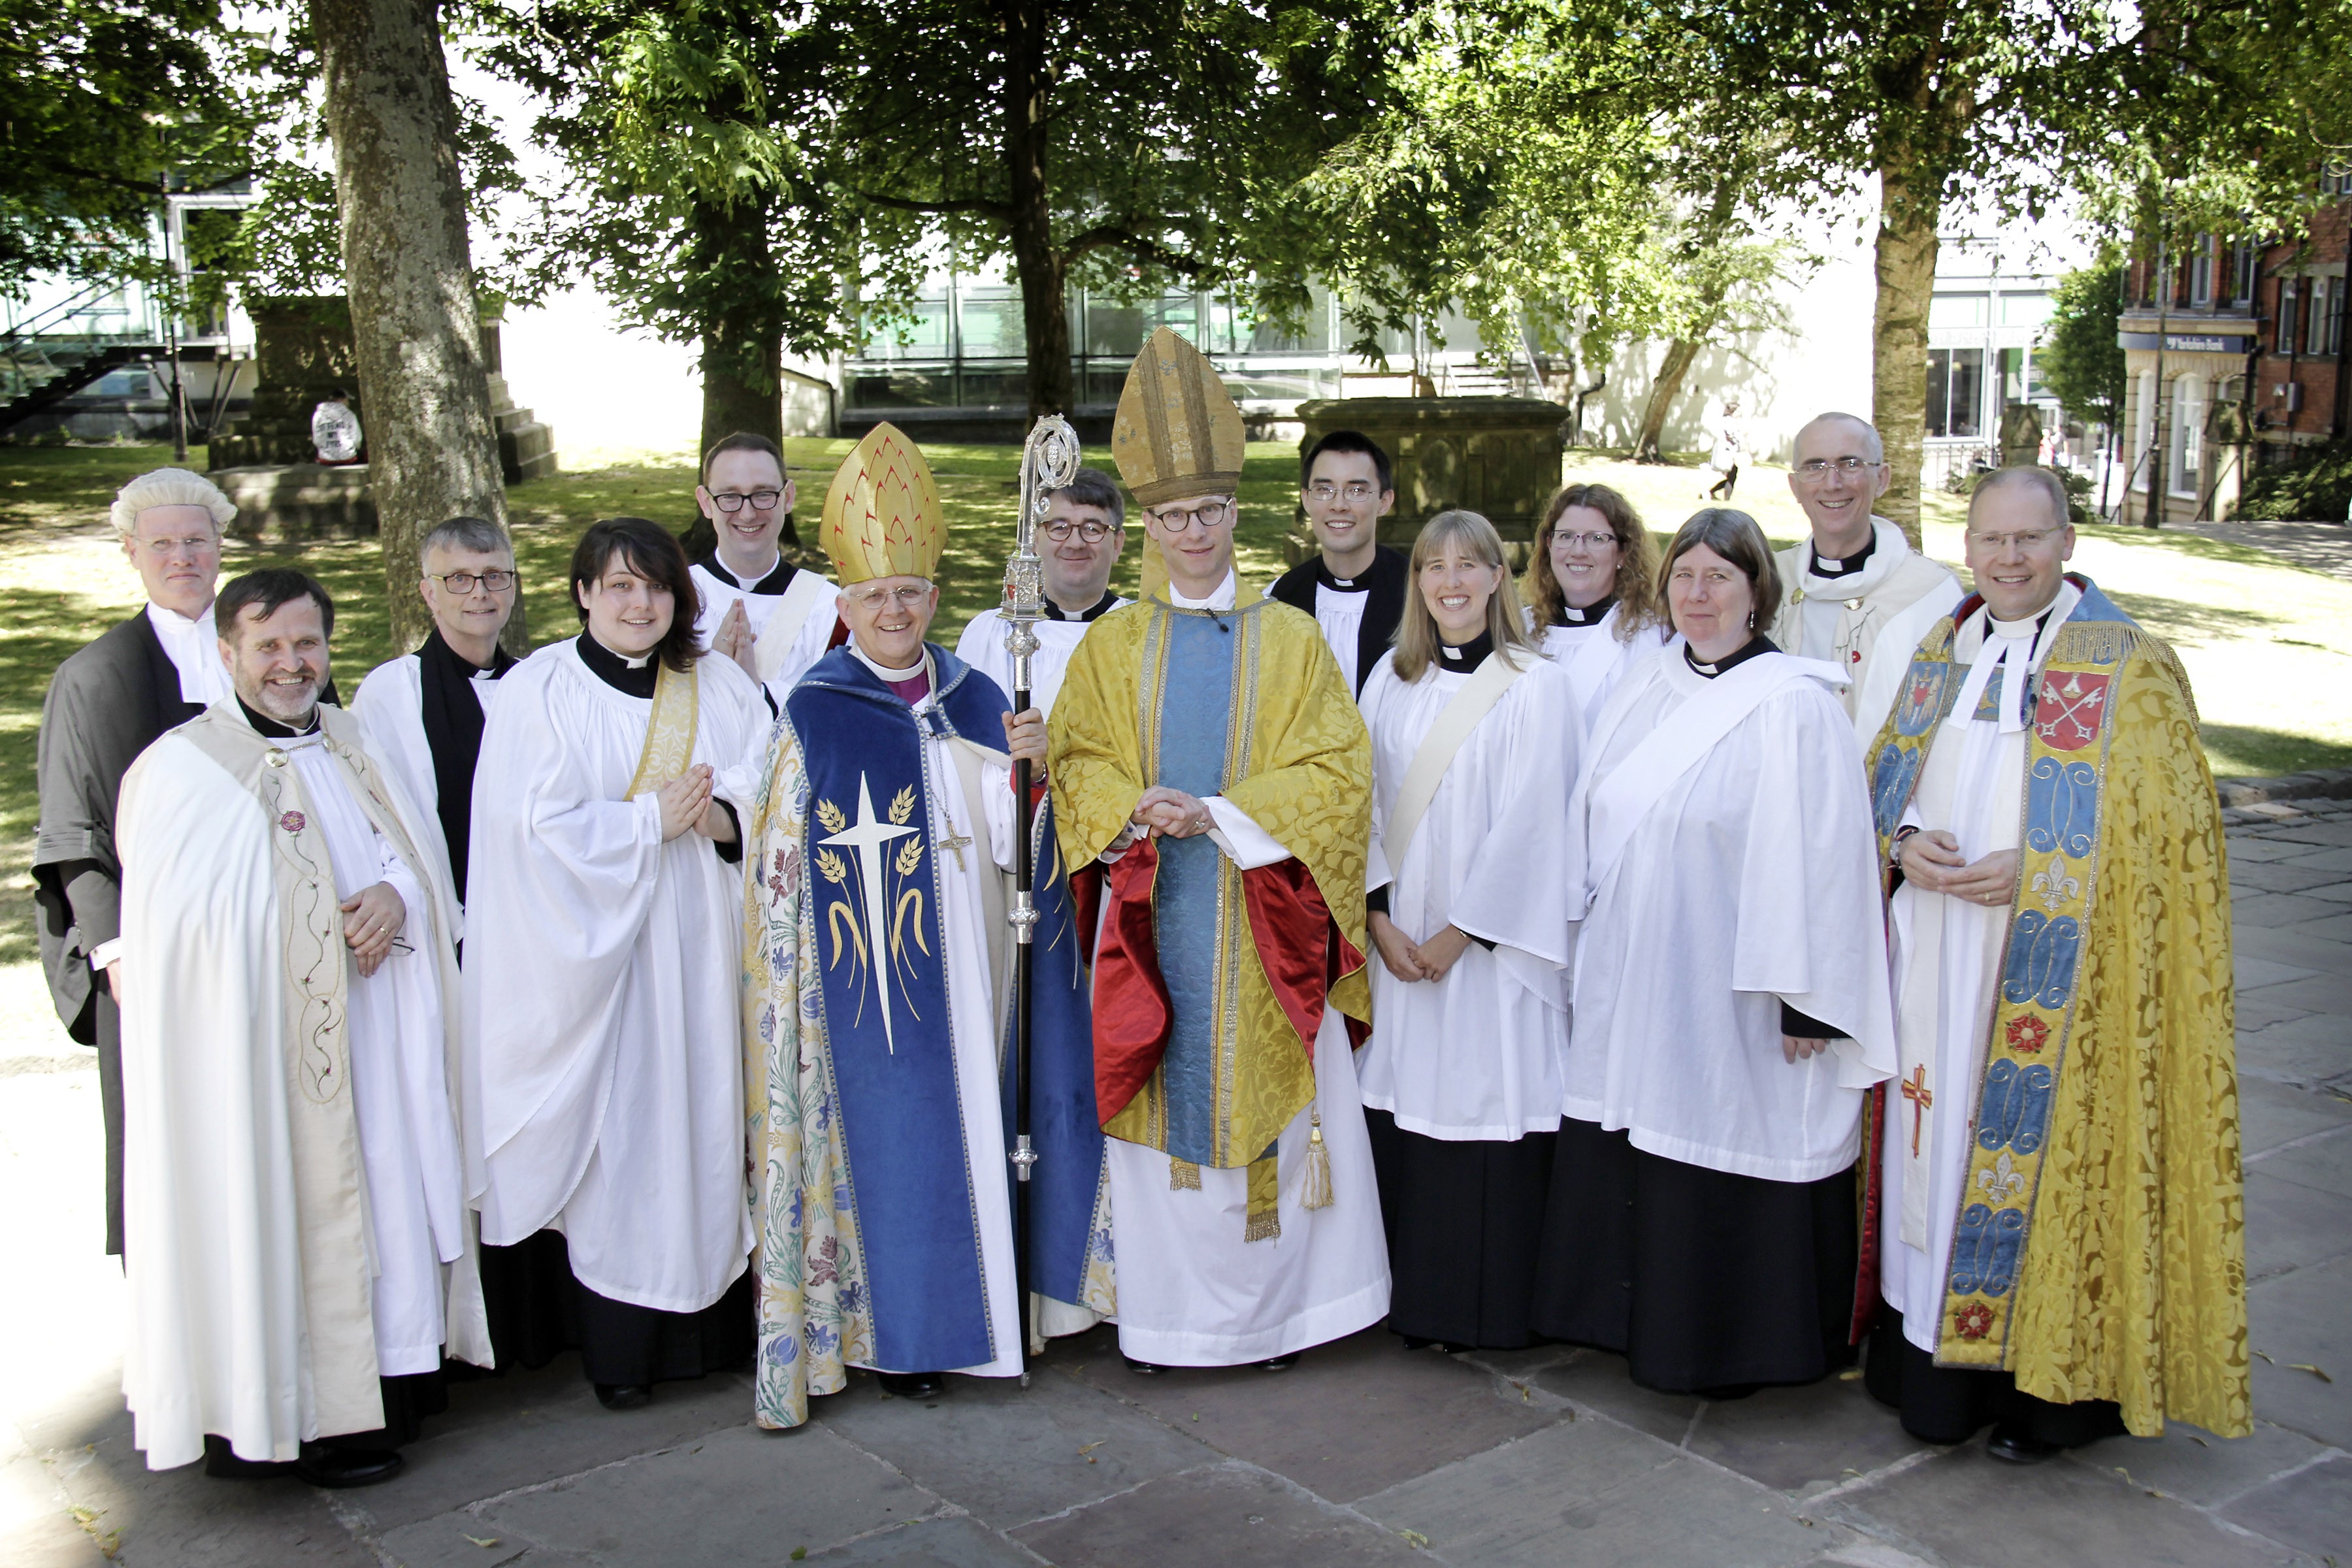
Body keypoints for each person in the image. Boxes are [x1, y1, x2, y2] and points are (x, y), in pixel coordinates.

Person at [1863, 466, 2249, 1458]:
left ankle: (2049, 1392)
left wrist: (2044, 869)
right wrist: (1902, 842)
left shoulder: (2128, 664)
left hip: (2062, 976)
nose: (2009, 558)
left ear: (2067, 542)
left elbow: (2173, 842)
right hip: (1936, 953)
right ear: (1968, 547)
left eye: (2029, 538)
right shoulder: (1944, 649)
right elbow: (1886, 778)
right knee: (1932, 1152)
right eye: (1991, 540)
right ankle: (1931, 1374)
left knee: (2045, 1166)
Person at [742, 423, 1110, 1427]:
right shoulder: (816, 712)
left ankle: (1007, 1313)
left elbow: (1018, 846)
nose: (894, 610)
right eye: (874, 596)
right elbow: (780, 874)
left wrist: (1027, 776)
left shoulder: (980, 694)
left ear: (936, 599)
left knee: (990, 1122)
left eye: (909, 592)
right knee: (902, 1149)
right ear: (845, 607)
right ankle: (906, 1339)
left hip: (981, 969)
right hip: (871, 994)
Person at [1051, 325, 1389, 1372]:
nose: (1191, 531)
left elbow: (1339, 772)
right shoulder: (1113, 643)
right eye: (1171, 515)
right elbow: (1075, 758)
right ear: (1146, 526)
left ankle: (1284, 1320)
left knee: (1277, 1110)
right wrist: (1133, 809)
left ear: (1235, 513)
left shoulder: (1290, 639)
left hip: (1262, 920)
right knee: (1167, 1097)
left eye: (1207, 511)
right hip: (1154, 919)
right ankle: (1174, 1324)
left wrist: (1223, 815)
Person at [114, 568, 487, 1484]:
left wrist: (396, 898)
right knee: (290, 1211)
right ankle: (304, 1419)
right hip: (268, 1061)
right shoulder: (185, 771)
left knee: (387, 1200)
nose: (291, 663)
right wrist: (317, 920)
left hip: (381, 1033)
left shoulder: (352, 739)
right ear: (227, 653)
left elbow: (415, 856)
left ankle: (391, 1390)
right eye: (269, 646)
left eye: (307, 643)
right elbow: (190, 937)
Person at [1528, 508, 1895, 1396]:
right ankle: (1623, 1322)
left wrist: (1810, 1002)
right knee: (1637, 1122)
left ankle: (1730, 1344)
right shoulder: (1646, 683)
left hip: (1739, 983)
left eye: (1719, 578)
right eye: (1685, 577)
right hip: (1635, 966)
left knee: (1721, 1122)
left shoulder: (1795, 705)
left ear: (1757, 592)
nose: (1698, 595)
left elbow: (1827, 859)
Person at [463, 517, 768, 1410]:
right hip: (598, 961)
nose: (641, 604)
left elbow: (770, 782)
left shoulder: (719, 683)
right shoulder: (540, 690)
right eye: (621, 586)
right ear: (584, 593)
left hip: (705, 943)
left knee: (709, 1122)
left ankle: (717, 1332)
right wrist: (645, 823)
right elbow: (526, 831)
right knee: (625, 1138)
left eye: (658, 587)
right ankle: (624, 1352)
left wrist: (720, 818)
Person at [1356, 510, 1577, 1352]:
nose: (1450, 582)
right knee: (1407, 1096)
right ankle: (1409, 1301)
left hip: (1489, 953)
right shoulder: (1390, 679)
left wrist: (1461, 934)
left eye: (1468, 565)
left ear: (1496, 578)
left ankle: (1487, 1310)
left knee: (1488, 1096)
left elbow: (1535, 821)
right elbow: (1360, 802)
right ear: (1417, 583)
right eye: (1433, 567)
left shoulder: (1536, 684)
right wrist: (1378, 917)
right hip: (1400, 944)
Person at [36, 468, 248, 1259]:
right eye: (162, 544)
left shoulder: (270, 656)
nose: (181, 557)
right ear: (131, 553)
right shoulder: (92, 678)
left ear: (220, 546)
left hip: (262, 932)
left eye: (196, 540)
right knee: (167, 1143)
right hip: (152, 949)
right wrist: (115, 950)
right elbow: (74, 833)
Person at [352, 516, 523, 913]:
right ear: (430, 593)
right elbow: (372, 812)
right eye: (459, 579)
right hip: (442, 909)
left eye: (494, 576)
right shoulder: (393, 692)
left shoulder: (534, 683)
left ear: (512, 588)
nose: (480, 592)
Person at [1769, 412, 1963, 743]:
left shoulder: (1931, 592)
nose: (1832, 483)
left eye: (1850, 464)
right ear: (1795, 486)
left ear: (1882, 479)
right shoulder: (1770, 580)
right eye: (1815, 467)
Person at [955, 465, 1131, 716]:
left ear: (1117, 544)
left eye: (1092, 529)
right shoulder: (990, 635)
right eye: (1059, 527)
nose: (1075, 543)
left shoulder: (1141, 634)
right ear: (1035, 541)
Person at [689, 432, 840, 708]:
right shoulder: (677, 600)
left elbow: (830, 711)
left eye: (763, 494)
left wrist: (756, 690)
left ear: (788, 497)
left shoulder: (828, 608)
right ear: (706, 503)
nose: (747, 514)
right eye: (729, 496)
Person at [1522, 482, 1672, 743]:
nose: (1578, 551)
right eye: (1566, 536)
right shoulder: (1521, 630)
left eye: (1596, 539)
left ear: (1623, 553)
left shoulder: (1654, 639)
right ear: (1549, 545)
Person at [1266, 430, 1409, 698]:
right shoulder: (1279, 600)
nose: (1339, 505)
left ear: (1384, 502)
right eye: (1324, 490)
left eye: (1356, 490)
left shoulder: (1418, 594)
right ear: (1306, 499)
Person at [1701, 400, 1744, 501]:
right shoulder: (1729, 421)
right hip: (1728, 451)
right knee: (1732, 476)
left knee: (1732, 476)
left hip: (1728, 451)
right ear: (1733, 411)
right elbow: (1731, 436)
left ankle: (1714, 493)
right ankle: (1714, 494)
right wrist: (1741, 436)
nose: (1741, 413)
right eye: (1739, 411)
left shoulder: (1728, 420)